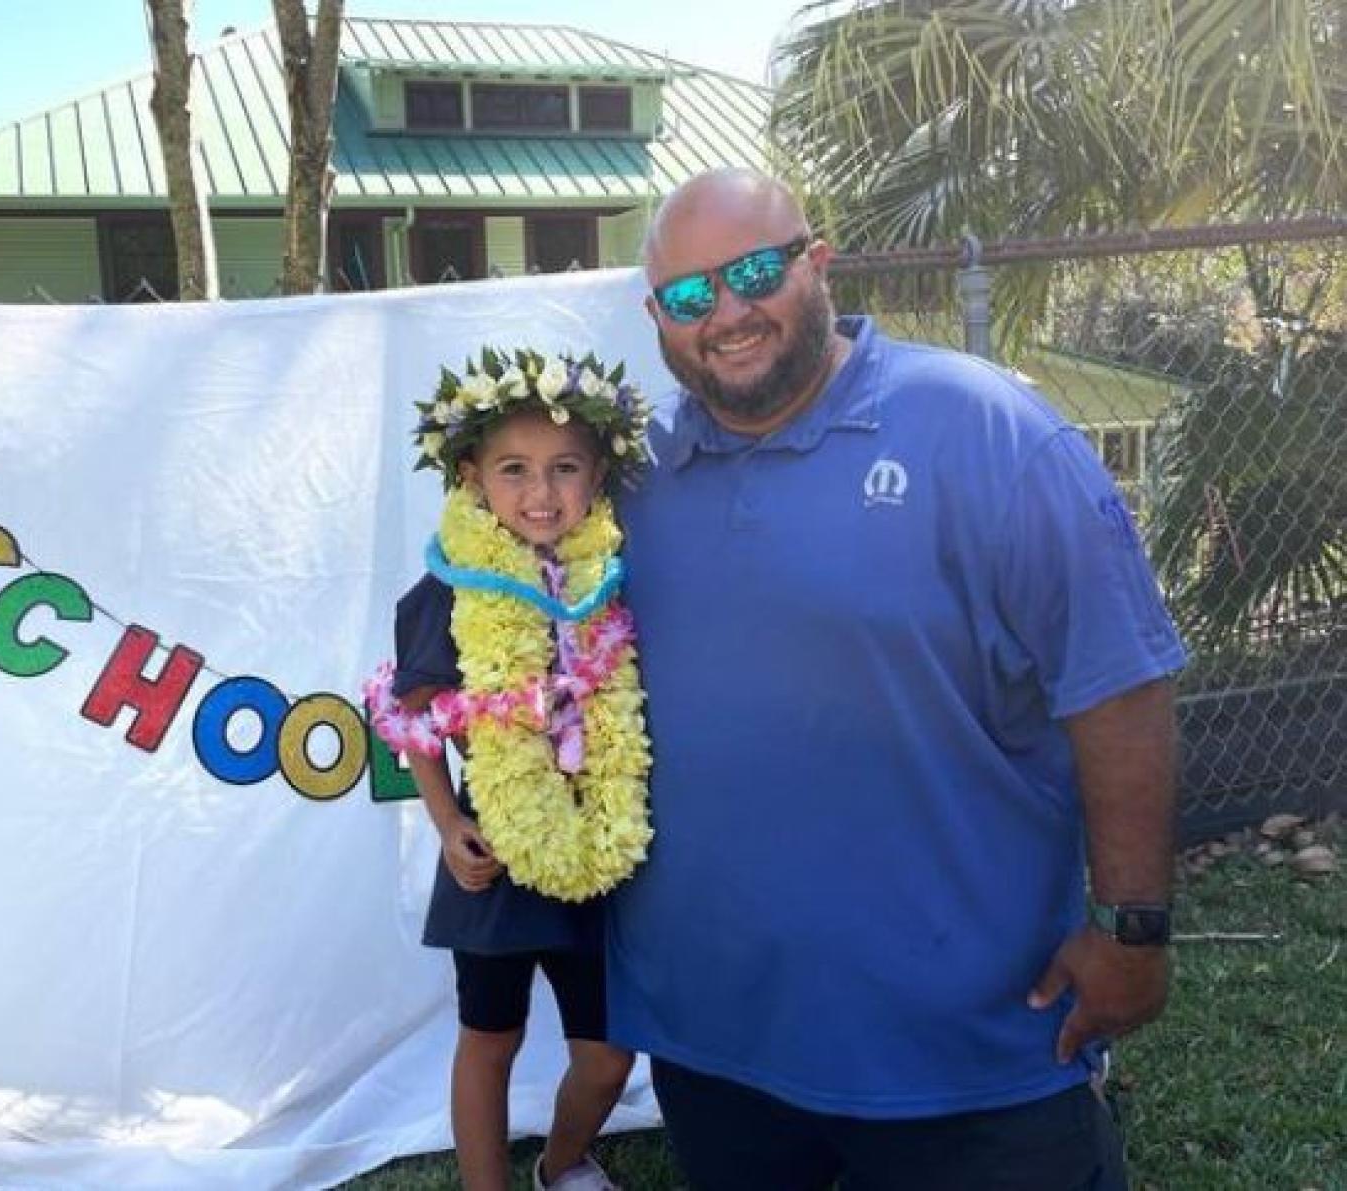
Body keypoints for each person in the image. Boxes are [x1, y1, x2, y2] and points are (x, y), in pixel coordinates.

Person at [607, 168, 1186, 1190]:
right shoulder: (628, 476)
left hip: (971, 1055)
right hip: (717, 1043)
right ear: (658, 316)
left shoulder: (987, 433)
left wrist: (1133, 929)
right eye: (691, 296)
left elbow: (1120, 689)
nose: (728, 314)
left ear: (816, 262)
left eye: (753, 273)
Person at [365, 348, 656, 1191]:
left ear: (598, 474)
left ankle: (563, 1163)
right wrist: (445, 823)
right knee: (488, 1036)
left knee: (606, 1054)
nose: (541, 492)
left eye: (565, 468)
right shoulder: (448, 592)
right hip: (492, 847)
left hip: (606, 844)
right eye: (514, 469)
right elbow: (414, 719)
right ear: (471, 477)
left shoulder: (617, 580)